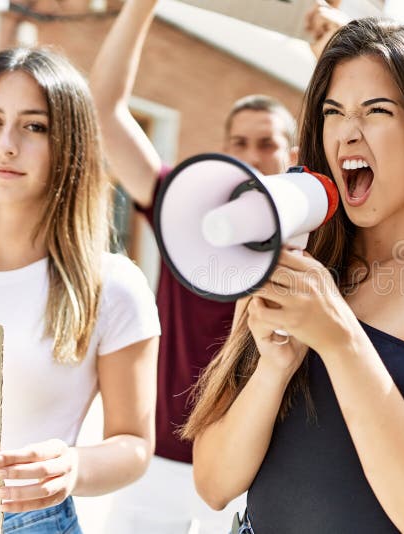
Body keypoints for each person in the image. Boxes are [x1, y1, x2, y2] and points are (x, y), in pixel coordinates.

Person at [181, 18, 404, 534]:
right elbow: (214, 484)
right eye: (333, 112)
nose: (348, 131)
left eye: (376, 111)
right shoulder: (287, 260)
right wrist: (274, 369)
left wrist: (340, 340)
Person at [89, 0, 298, 530]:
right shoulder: (187, 212)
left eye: (267, 144)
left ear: (292, 152)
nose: (252, 155)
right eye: (239, 143)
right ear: (222, 149)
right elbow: (106, 110)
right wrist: (141, 8)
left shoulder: (310, 241)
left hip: (242, 474)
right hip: (158, 460)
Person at [0, 47, 160, 533]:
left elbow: (135, 445)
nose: (7, 145)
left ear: (70, 143)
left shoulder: (112, 285)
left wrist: (71, 467)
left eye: (34, 126)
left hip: (29, 522)